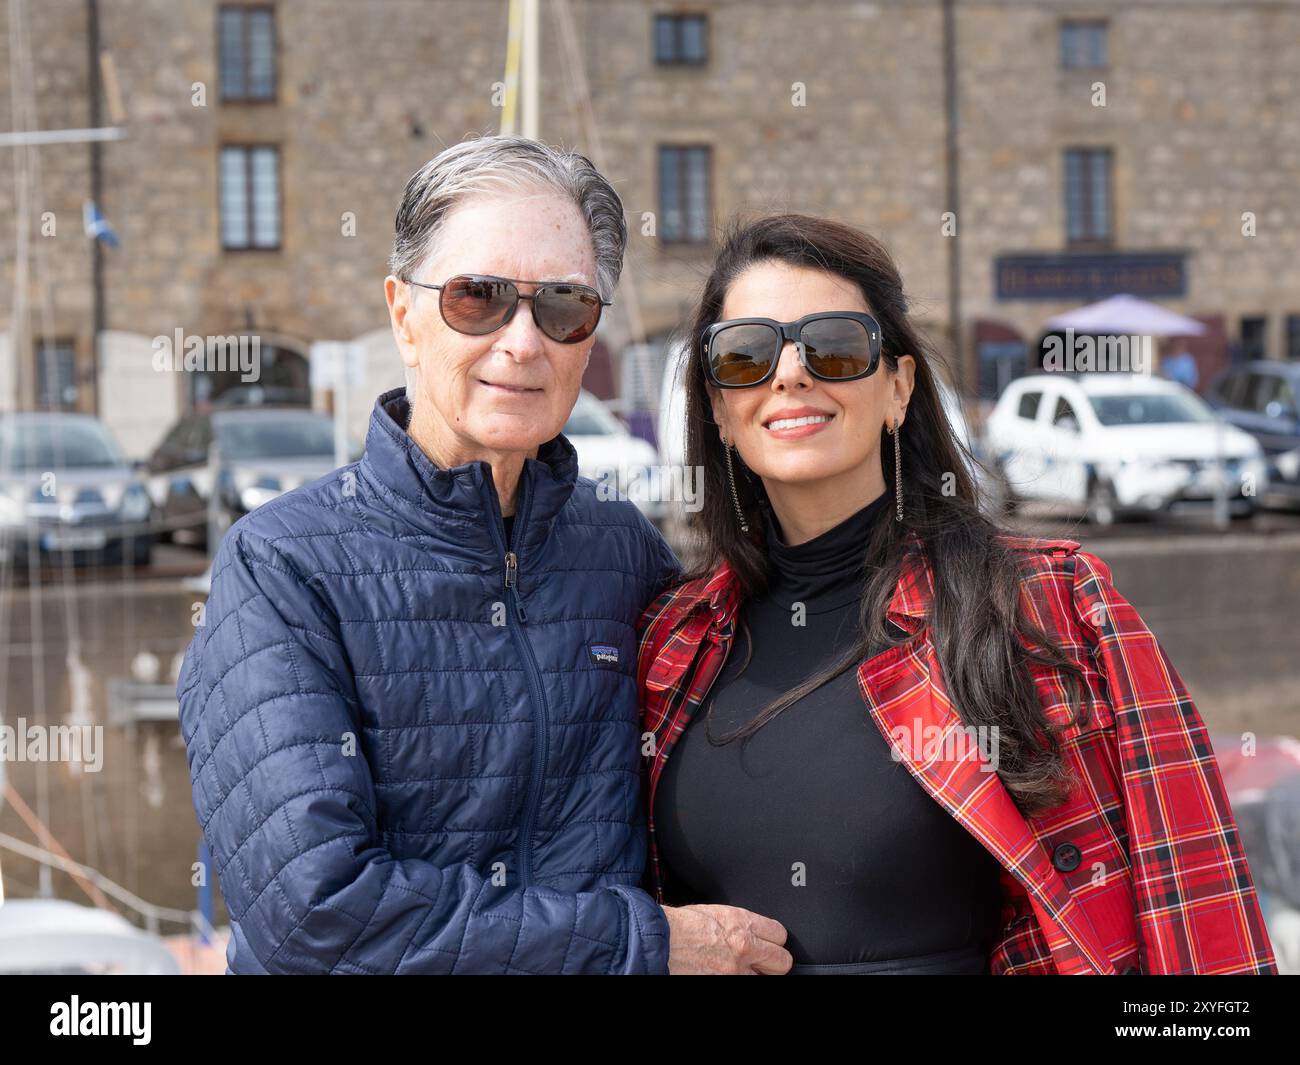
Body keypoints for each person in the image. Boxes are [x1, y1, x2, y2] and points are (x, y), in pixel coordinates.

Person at [176, 135, 781, 974]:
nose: (523, 341)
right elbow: (315, 915)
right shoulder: (282, 567)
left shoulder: (623, 552)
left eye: (564, 307)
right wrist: (641, 943)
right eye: (478, 297)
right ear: (403, 314)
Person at [637, 213, 1279, 975]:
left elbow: (1202, 925)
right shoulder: (670, 641)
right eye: (745, 354)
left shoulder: (1054, 605)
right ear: (716, 405)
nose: (791, 374)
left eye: (835, 346)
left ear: (899, 387)